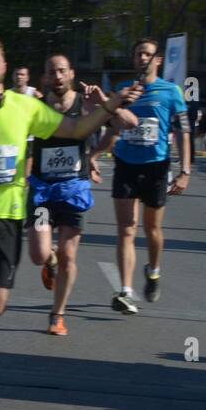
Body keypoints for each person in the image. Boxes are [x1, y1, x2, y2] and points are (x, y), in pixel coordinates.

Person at [0, 38, 140, 399]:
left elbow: (77, 130)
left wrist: (110, 104)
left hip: (8, 218)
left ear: (4, 67)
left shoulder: (25, 107)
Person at [27, 55, 135, 335]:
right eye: (52, 72)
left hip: (73, 188)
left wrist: (103, 103)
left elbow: (125, 125)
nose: (58, 76)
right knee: (39, 253)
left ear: (72, 73)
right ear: (46, 77)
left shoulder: (87, 103)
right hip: (41, 190)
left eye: (62, 71)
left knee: (68, 255)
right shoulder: (35, 107)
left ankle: (57, 314)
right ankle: (48, 263)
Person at [94, 38, 192, 314]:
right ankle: (125, 291)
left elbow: (184, 133)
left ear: (158, 60)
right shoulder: (123, 90)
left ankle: (153, 270)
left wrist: (185, 170)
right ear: (134, 59)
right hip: (126, 163)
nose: (142, 58)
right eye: (138, 54)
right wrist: (95, 155)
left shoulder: (172, 92)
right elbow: (113, 128)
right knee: (126, 229)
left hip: (156, 166)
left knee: (152, 229)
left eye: (148, 54)